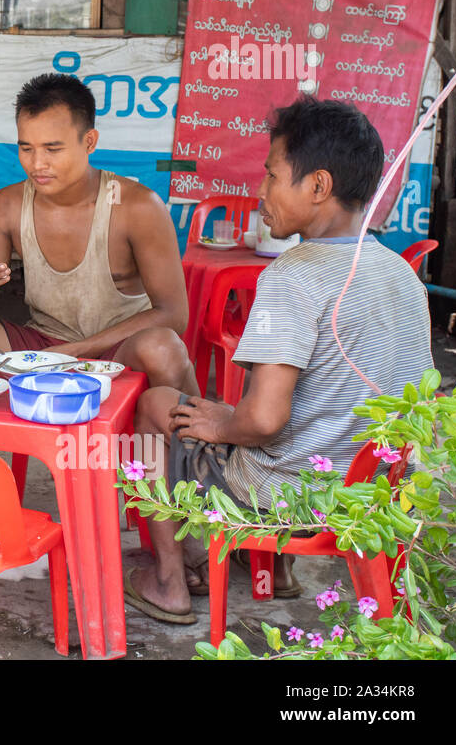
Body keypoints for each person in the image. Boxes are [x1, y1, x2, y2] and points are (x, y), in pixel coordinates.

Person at [123, 97, 433, 625]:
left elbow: (264, 421)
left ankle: (171, 581)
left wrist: (224, 424)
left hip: (293, 495)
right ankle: (275, 569)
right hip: (377, 492)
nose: (260, 191)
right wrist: (228, 418)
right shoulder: (400, 272)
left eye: (271, 176)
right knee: (234, 411)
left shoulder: (292, 275)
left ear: (317, 186)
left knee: (156, 404)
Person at [0, 73, 198, 393]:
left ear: (89, 142)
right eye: (27, 149)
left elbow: (174, 315)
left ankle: (192, 440)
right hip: (42, 346)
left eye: (53, 149)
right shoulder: (8, 205)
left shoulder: (137, 206)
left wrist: (75, 352)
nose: (38, 164)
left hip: (119, 347)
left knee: (162, 348)